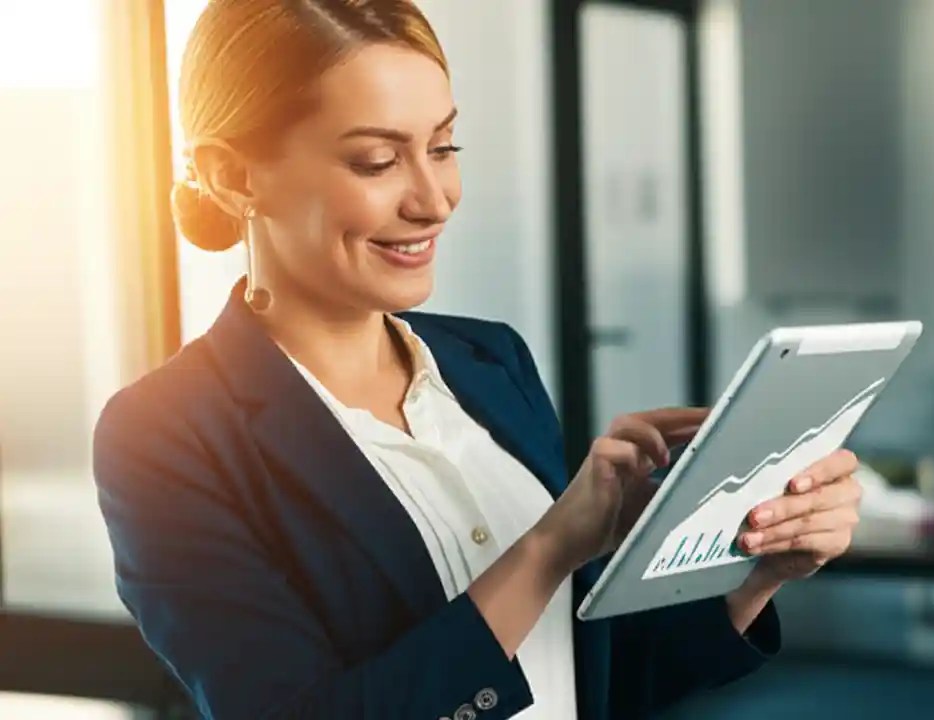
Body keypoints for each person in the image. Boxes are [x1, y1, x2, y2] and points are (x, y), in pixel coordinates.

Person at [92, 2, 864, 719]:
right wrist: (552, 547)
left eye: (442, 147)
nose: (435, 199)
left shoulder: (489, 360)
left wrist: (755, 565)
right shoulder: (168, 434)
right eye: (375, 161)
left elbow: (589, 675)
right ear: (235, 176)